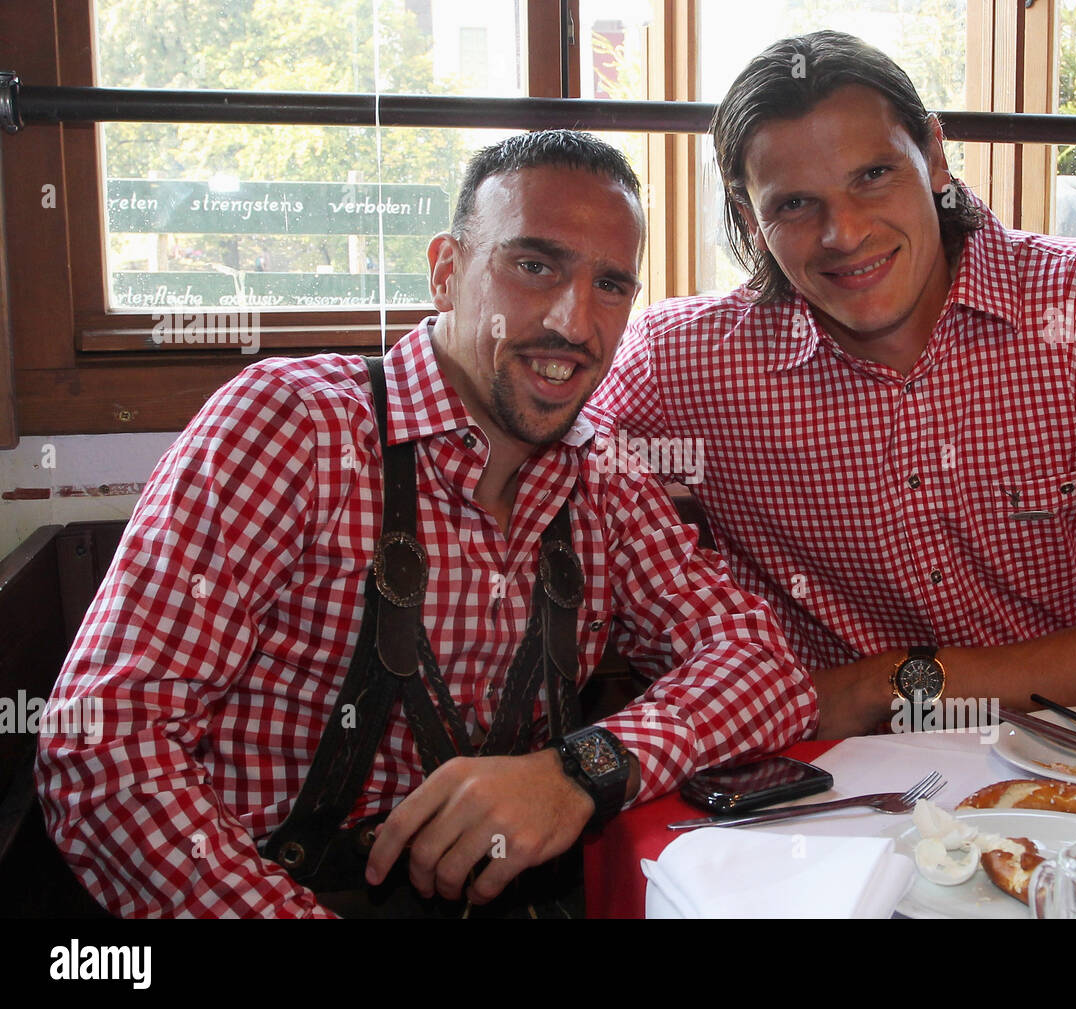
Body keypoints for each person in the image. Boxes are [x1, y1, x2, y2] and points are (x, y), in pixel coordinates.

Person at [35, 131, 818, 918]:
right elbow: (102, 745)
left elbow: (762, 667)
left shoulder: (600, 466)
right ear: (447, 271)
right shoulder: (296, 423)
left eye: (611, 284)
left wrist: (579, 770)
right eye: (534, 264)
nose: (573, 321)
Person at [589, 32, 1076, 739]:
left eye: (873, 175)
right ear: (750, 218)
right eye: (796, 205)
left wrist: (892, 683)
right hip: (827, 793)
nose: (844, 232)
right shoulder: (680, 359)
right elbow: (548, 475)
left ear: (933, 156)